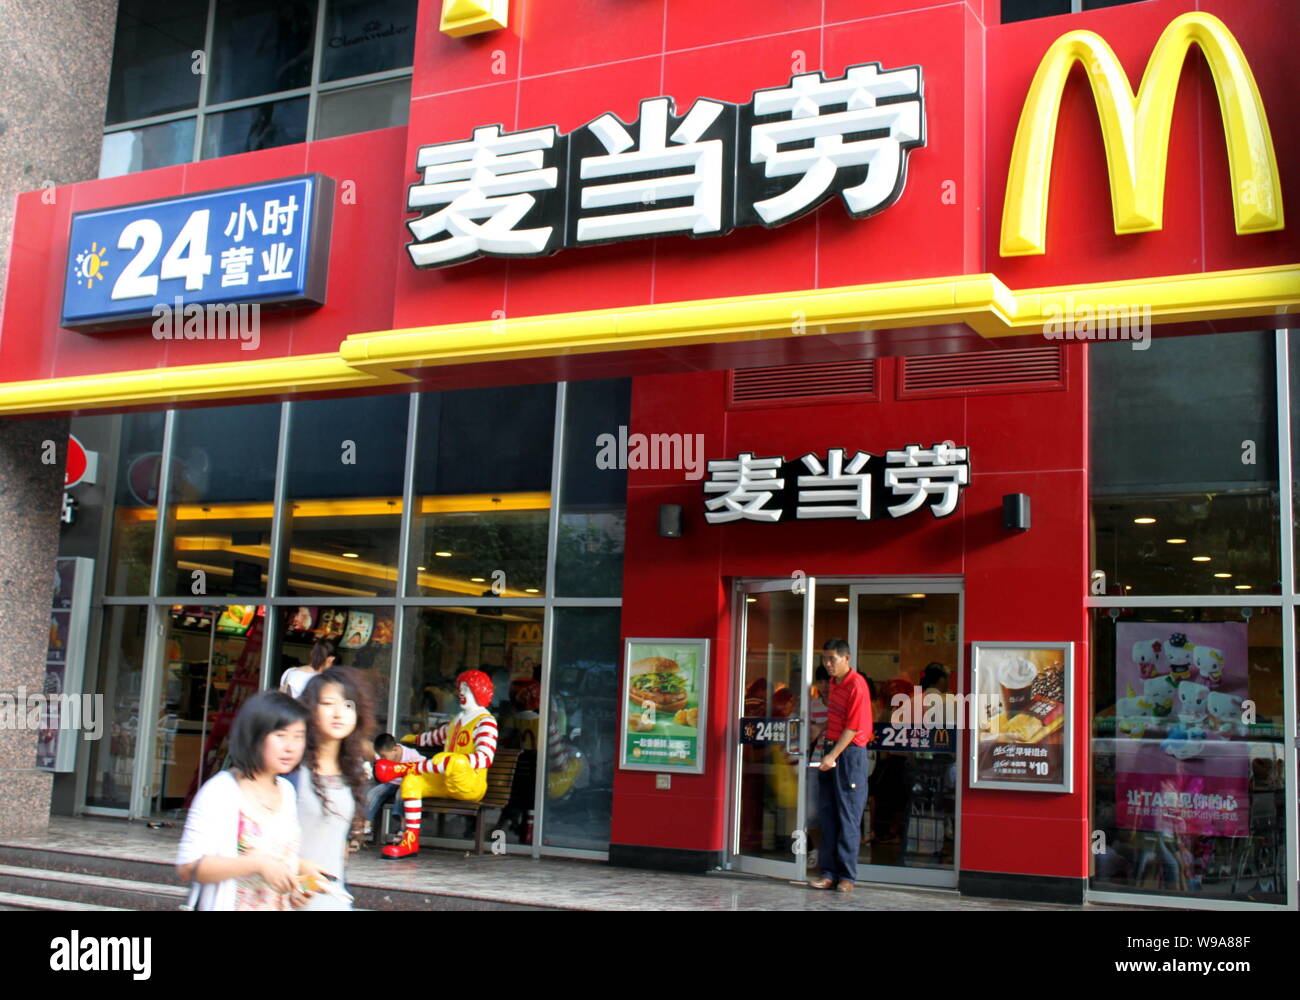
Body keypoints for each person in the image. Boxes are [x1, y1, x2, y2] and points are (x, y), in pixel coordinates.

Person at [175, 691, 329, 910]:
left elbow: (276, 857)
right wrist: (257, 865)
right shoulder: (220, 791)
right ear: (254, 735)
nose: (291, 747)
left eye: (298, 736)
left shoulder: (286, 791)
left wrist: (298, 875)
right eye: (280, 735)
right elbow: (187, 866)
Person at [375, 668, 498, 858]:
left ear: (478, 691)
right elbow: (436, 737)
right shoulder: (457, 720)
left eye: (466, 688)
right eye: (460, 688)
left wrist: (455, 762)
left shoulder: (485, 722)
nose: (461, 693)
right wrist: (415, 739)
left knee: (446, 759)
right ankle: (410, 841)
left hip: (470, 783)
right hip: (445, 779)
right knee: (412, 781)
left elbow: (484, 758)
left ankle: (402, 768)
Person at [296, 667, 374, 910]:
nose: (339, 713)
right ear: (310, 709)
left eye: (349, 705)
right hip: (289, 896)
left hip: (332, 900)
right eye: (328, 703)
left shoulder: (353, 773)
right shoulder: (291, 768)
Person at [809, 638, 871, 894]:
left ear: (847, 658)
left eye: (832, 659)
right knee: (828, 814)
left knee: (847, 816)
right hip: (831, 749)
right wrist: (821, 730)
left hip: (849, 755)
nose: (828, 664)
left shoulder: (857, 684)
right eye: (825, 659)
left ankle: (847, 876)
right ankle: (828, 873)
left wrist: (832, 755)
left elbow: (853, 727)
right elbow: (837, 719)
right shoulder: (833, 684)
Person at [365, 732, 425, 842]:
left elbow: (423, 767)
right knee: (373, 793)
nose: (383, 759)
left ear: (395, 749)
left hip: (406, 785)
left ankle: (403, 829)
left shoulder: (412, 755)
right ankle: (365, 825)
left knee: (401, 795)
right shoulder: (382, 757)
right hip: (391, 783)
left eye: (384, 756)